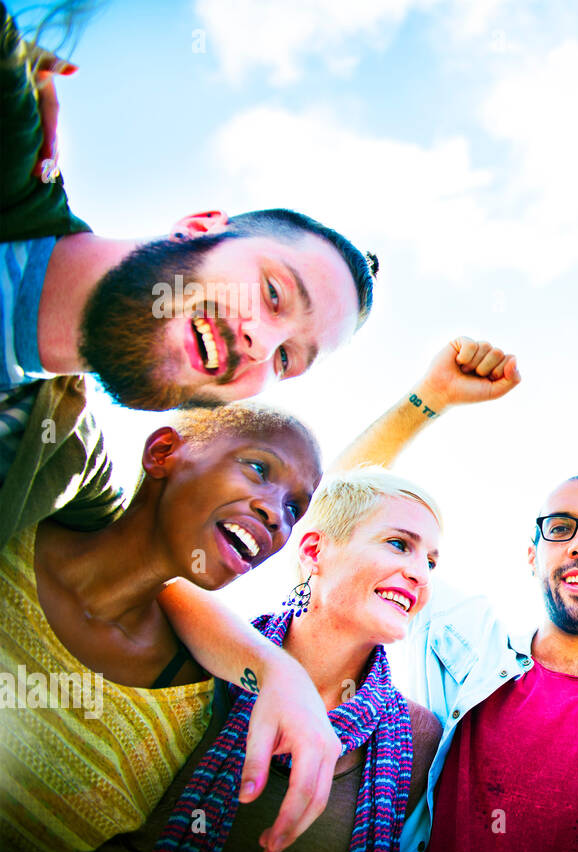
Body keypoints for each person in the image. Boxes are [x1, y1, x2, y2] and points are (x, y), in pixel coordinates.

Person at [0, 1, 376, 541]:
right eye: (273, 293)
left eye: (288, 360)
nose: (261, 346)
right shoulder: (14, 144)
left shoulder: (64, 458)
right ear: (200, 227)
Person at [330, 343, 578, 852]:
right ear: (532, 554)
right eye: (561, 527)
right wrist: (430, 397)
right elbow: (337, 514)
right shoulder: (468, 644)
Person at [0, 401, 334, 852]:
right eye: (259, 468)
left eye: (294, 508)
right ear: (162, 452)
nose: (278, 515)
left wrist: (278, 670)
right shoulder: (23, 507)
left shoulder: (190, 714)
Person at [94, 468, 443, 852]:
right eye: (399, 544)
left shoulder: (420, 737)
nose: (420, 574)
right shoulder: (203, 660)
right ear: (313, 552)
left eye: (431, 562)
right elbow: (147, 574)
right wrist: (276, 672)